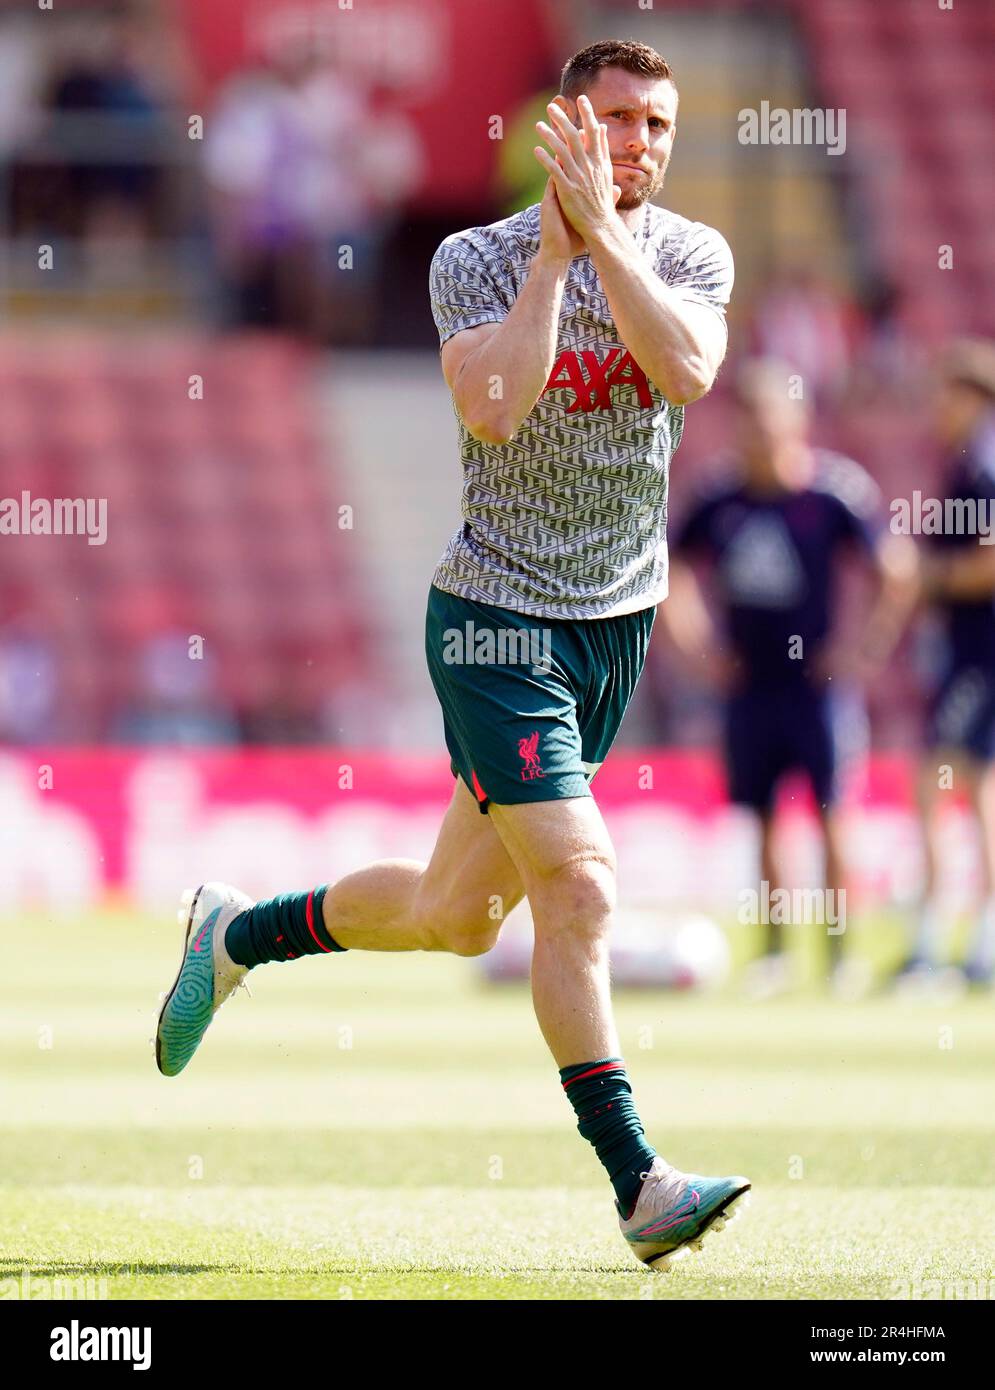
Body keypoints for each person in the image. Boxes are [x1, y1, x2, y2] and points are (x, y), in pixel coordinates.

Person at [156, 38, 750, 1270]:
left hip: (613, 624)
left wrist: (612, 244)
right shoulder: (471, 259)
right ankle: (638, 1179)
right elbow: (493, 404)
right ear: (563, 129)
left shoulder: (691, 252)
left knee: (454, 916)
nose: (639, 144)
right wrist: (553, 252)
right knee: (577, 888)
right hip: (492, 620)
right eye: (619, 121)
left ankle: (234, 933)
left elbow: (683, 366)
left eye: (657, 126)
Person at [662, 360, 916, 998]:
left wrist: (863, 651)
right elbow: (670, 569)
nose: (755, 433)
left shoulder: (830, 494)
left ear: (794, 423)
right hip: (749, 687)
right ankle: (775, 952)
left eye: (767, 420)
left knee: (833, 818)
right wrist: (699, 648)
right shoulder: (719, 497)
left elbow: (896, 568)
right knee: (764, 819)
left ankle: (839, 954)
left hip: (817, 690)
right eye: (745, 420)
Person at [898, 339, 995, 989]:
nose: (936, 407)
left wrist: (922, 575)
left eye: (945, 394)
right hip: (970, 653)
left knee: (939, 787)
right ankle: (971, 944)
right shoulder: (968, 466)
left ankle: (941, 943)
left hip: (977, 655)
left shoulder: (982, 470)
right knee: (971, 789)